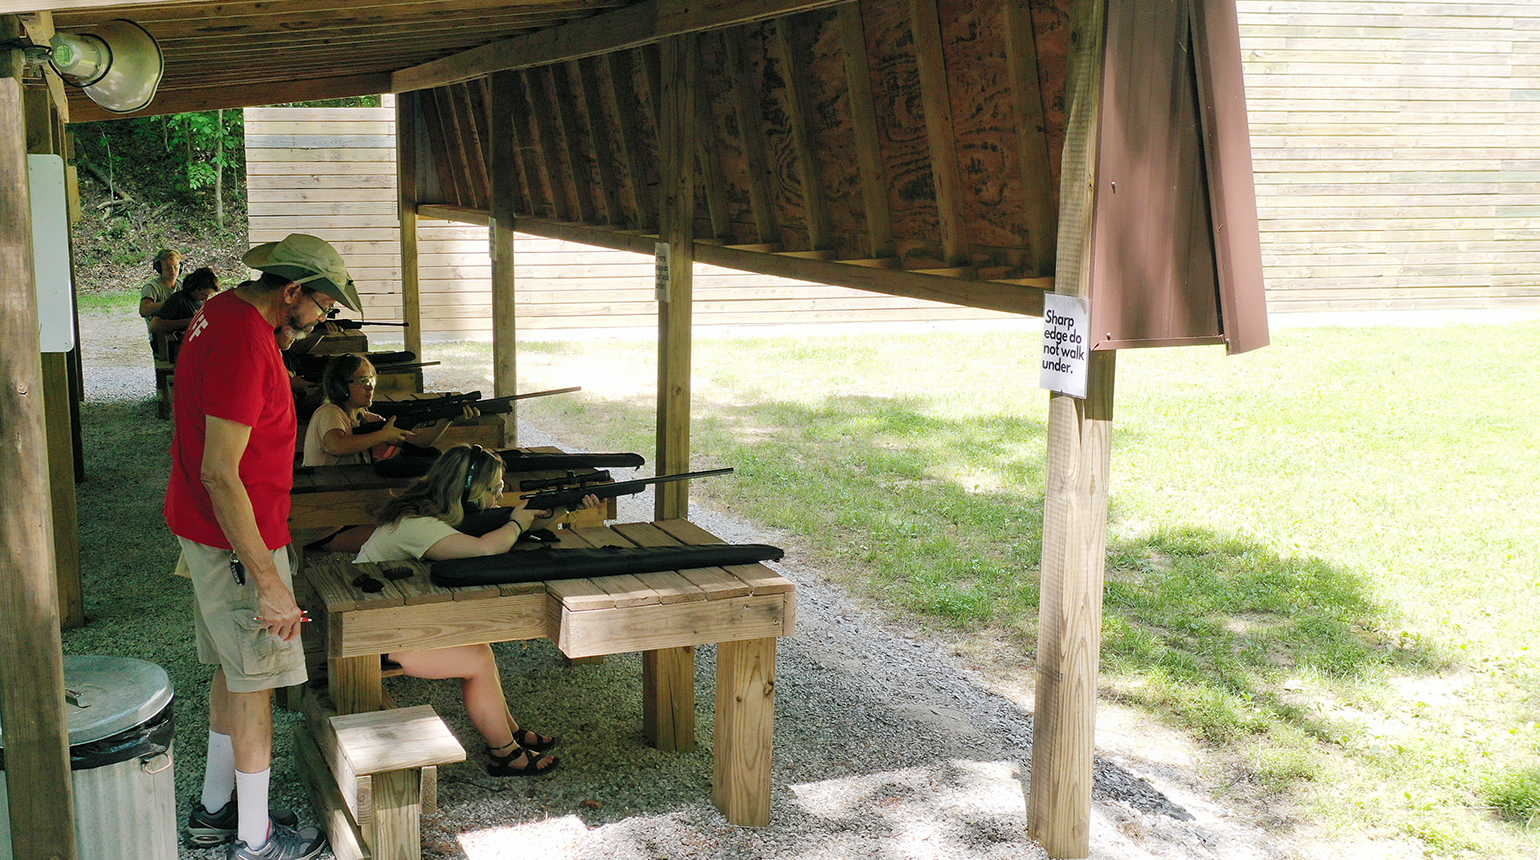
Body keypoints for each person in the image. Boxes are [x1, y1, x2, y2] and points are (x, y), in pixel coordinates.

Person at [168, 233, 363, 860]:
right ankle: (255, 841)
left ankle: (215, 811)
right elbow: (220, 473)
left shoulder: (224, 311)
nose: (321, 322)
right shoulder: (246, 344)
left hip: (218, 532)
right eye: (322, 308)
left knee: (234, 671)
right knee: (256, 684)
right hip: (237, 541)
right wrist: (270, 581)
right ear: (292, 291)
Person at [353, 444, 598, 776]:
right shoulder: (417, 525)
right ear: (465, 491)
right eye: (492, 490)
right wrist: (516, 524)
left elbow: (495, 532)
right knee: (478, 660)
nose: (498, 498)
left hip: (386, 618)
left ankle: (508, 731)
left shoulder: (430, 513)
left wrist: (557, 512)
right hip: (369, 635)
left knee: (480, 649)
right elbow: (484, 549)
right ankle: (504, 754)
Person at [295, 353, 473, 553]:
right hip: (327, 524)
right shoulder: (330, 412)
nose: (370, 387)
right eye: (363, 381)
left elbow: (418, 442)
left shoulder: (365, 418)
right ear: (340, 386)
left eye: (372, 380)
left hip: (353, 512)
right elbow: (337, 445)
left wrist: (446, 418)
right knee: (411, 537)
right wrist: (382, 435)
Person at [149, 266, 219, 361]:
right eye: (204, 294)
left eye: (208, 296)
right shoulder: (178, 300)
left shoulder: (199, 301)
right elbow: (154, 326)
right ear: (194, 287)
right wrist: (190, 322)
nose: (206, 299)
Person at [138, 248, 181, 337]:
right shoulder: (152, 287)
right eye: (168, 267)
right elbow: (144, 310)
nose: (173, 271)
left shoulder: (183, 285)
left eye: (176, 267)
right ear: (159, 268)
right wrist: (171, 302)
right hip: (161, 336)